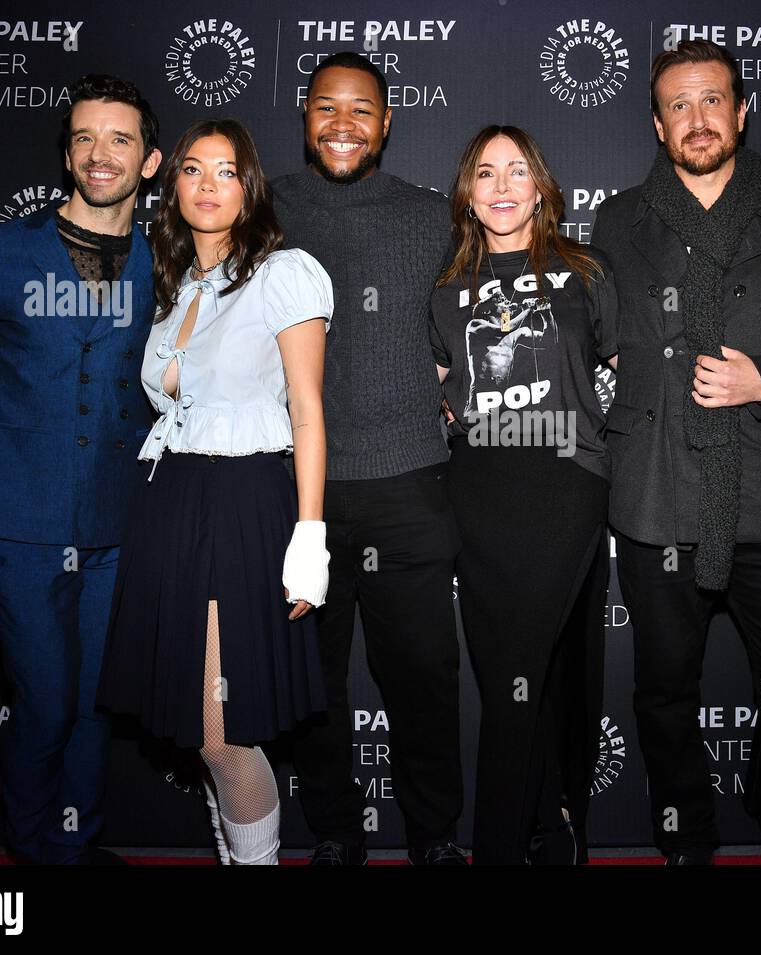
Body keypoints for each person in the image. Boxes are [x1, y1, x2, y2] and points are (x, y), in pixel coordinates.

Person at [591, 39, 761, 864]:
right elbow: (593, 336)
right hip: (657, 492)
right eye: (679, 104)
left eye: (713, 100)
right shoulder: (616, 222)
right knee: (665, 697)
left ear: (742, 112)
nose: (697, 118)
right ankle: (686, 845)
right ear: (657, 123)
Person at [0, 74, 162, 864]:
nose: (100, 154)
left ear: (150, 162)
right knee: (48, 703)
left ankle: (76, 845)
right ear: (66, 152)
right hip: (17, 524)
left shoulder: (167, 263)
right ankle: (34, 856)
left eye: (119, 139)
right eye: (85, 137)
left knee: (94, 705)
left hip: (119, 525)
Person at [95, 118, 333, 865]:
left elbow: (308, 406)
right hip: (170, 503)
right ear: (174, 185)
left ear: (249, 187)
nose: (207, 185)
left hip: (244, 503)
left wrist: (310, 533)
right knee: (197, 730)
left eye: (226, 172)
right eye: (193, 169)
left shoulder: (284, 271)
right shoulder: (175, 286)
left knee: (221, 733)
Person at [272, 52, 466, 865]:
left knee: (421, 681)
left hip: (410, 483)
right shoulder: (265, 208)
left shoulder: (434, 218)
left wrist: (456, 384)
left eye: (361, 111)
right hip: (295, 492)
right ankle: (336, 833)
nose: (342, 125)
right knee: (310, 684)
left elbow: (472, 331)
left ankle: (433, 837)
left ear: (387, 123)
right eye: (327, 108)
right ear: (305, 116)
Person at [430, 126, 617, 864]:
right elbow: (452, 388)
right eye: (485, 173)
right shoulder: (447, 290)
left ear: (540, 187)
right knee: (518, 673)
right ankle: (549, 828)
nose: (502, 186)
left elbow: (626, 370)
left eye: (516, 172)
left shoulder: (587, 270)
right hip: (478, 486)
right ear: (468, 195)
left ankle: (500, 848)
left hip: (565, 482)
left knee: (518, 670)